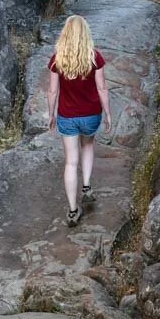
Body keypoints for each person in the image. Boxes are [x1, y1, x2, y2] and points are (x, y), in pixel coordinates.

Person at [47, 15, 112, 226]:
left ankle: (73, 210)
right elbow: (102, 88)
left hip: (67, 116)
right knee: (88, 145)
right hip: (91, 114)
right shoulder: (94, 57)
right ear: (85, 34)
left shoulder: (58, 59)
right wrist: (108, 113)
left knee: (70, 162)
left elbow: (52, 91)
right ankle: (86, 186)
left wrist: (50, 115)